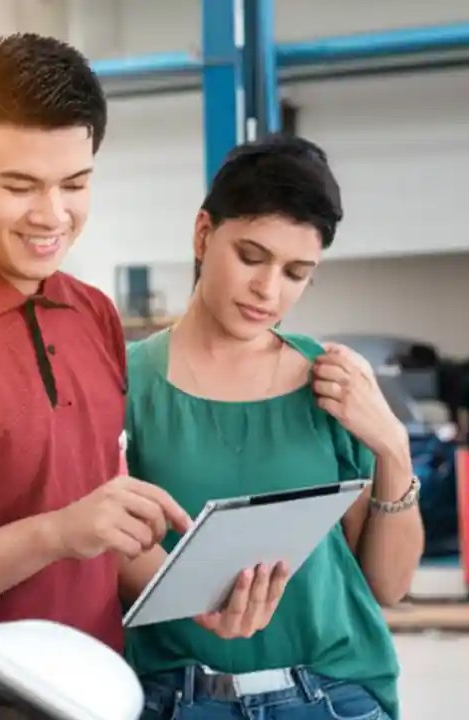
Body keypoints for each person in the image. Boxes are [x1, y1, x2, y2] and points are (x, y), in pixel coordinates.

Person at [0, 33, 279, 654]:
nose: (52, 215)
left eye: (75, 184)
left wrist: (193, 594)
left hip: (95, 695)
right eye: (20, 186)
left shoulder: (93, 316)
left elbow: (99, 544)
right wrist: (54, 534)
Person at [119, 135, 424, 719]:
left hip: (332, 696)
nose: (268, 290)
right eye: (251, 257)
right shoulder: (127, 385)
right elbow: (109, 554)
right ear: (203, 235)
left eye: (296, 272)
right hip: (178, 702)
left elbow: (387, 584)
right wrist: (196, 604)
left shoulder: (331, 381)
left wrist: (392, 444)